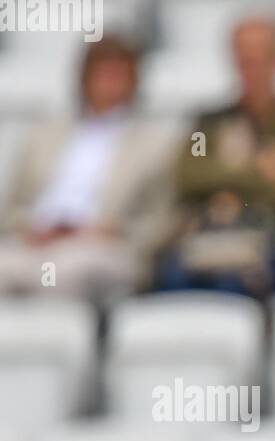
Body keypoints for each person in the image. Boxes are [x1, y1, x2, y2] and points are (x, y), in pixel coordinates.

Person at [160, 16, 275, 297]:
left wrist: (227, 181)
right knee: (173, 283)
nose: (250, 71)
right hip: (211, 244)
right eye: (243, 61)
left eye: (259, 60)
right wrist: (260, 170)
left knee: (236, 285)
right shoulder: (209, 124)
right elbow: (187, 176)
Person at [0, 35, 176, 302]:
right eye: (102, 74)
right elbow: (13, 205)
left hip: (104, 247)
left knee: (61, 273)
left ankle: (55, 343)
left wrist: (112, 232)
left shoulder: (155, 144)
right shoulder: (44, 134)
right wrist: (29, 229)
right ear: (84, 79)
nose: (109, 85)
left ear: (134, 82)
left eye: (119, 75)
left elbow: (162, 218)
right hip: (36, 241)